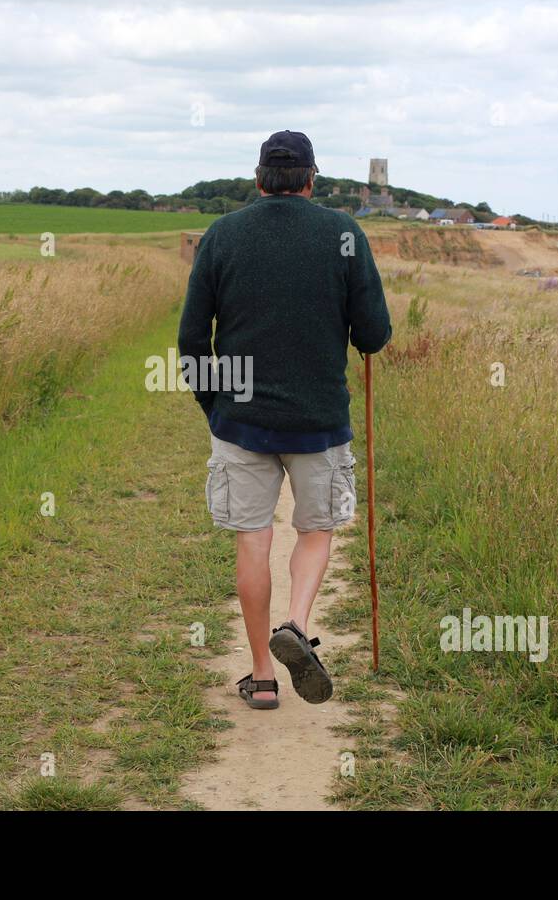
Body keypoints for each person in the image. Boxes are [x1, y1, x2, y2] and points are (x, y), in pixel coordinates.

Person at [177, 130, 392, 709]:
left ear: (257, 180)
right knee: (315, 530)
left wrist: (214, 406)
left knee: (253, 537)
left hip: (241, 421)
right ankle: (296, 623)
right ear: (311, 180)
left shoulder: (223, 235)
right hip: (319, 420)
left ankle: (263, 676)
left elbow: (192, 339)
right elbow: (374, 335)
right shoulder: (345, 234)